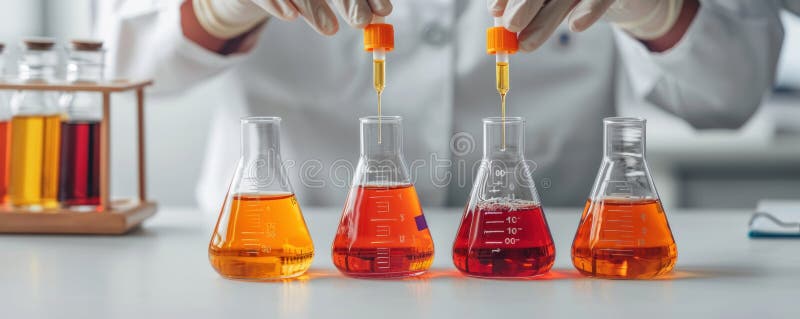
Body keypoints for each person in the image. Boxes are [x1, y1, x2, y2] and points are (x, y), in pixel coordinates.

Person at [95, 0, 792, 212]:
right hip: (290, 259)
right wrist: (215, 11)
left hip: (545, 272)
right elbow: (117, 66)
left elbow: (729, 96)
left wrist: (659, 10)